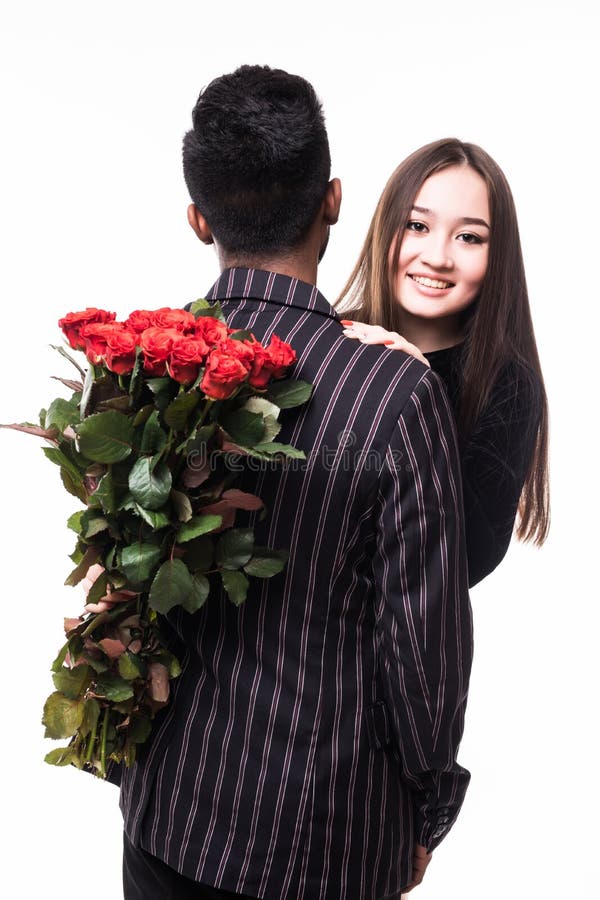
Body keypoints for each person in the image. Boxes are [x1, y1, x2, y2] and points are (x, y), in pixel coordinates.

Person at [114, 67, 473, 899]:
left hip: (166, 821)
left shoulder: (143, 372)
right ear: (334, 200)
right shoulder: (396, 392)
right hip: (327, 844)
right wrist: (429, 811)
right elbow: (421, 650)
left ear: (200, 219)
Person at [337, 139, 550, 587]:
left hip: (399, 650)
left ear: (498, 256)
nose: (437, 257)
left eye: (469, 237)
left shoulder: (509, 384)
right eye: (417, 225)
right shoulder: (333, 339)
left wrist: (422, 389)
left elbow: (470, 556)